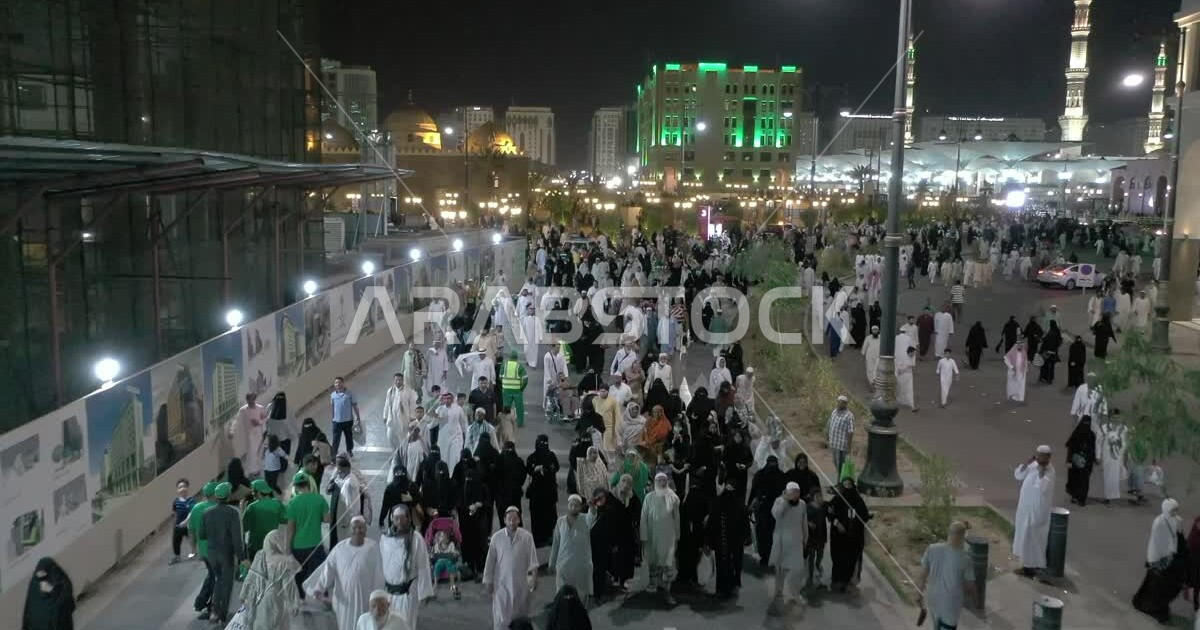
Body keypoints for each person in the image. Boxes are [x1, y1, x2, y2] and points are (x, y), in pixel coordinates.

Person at [305, 516, 386, 630]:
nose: (358, 530)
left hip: (365, 599)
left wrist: (378, 596)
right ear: (349, 530)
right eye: (354, 528)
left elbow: (379, 574)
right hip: (345, 602)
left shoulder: (373, 547)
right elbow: (329, 569)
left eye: (361, 528)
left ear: (365, 530)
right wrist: (320, 587)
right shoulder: (340, 548)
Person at [483, 507, 540, 630]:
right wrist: (488, 582)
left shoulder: (527, 537)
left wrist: (533, 580)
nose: (512, 522)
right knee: (501, 619)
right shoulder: (496, 538)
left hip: (521, 586)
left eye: (515, 519)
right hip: (501, 586)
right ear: (504, 520)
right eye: (509, 519)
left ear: (519, 520)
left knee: (520, 620)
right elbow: (490, 562)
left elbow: (533, 562)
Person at [915, 521, 977, 630]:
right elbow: (970, 585)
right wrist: (975, 599)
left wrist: (918, 593)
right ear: (963, 537)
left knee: (936, 625)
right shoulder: (965, 559)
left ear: (948, 533)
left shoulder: (932, 549)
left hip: (933, 598)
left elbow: (922, 575)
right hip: (951, 604)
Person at [379, 505, 433, 630]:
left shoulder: (416, 539)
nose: (399, 522)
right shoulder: (385, 539)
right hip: (389, 594)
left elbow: (423, 566)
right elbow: (382, 565)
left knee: (405, 625)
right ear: (392, 519)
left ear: (408, 519)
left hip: (407, 594)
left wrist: (424, 593)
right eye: (396, 518)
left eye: (402, 518)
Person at [1133, 499, 1186, 624]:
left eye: (1176, 509)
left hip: (1169, 560)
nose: (1175, 512)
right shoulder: (1159, 522)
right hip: (1159, 560)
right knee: (1156, 586)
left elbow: (1178, 537)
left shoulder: (1176, 520)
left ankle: (1153, 607)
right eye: (1173, 509)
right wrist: (1162, 557)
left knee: (1160, 587)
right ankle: (1152, 608)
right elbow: (1157, 543)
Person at [203, 482, 246, 626]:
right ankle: (222, 616)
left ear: (216, 495)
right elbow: (236, 538)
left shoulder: (207, 512)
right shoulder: (233, 512)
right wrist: (242, 557)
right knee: (227, 585)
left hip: (211, 554)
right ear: (229, 495)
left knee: (217, 580)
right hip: (226, 554)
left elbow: (202, 534)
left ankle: (214, 612)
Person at [240, 530, 301, 630]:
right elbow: (289, 585)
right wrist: (294, 603)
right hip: (275, 599)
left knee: (258, 623)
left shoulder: (260, 555)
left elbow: (251, 577)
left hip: (257, 598)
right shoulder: (284, 561)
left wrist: (243, 593)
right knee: (275, 624)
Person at [287, 472, 331, 600]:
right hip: (315, 544)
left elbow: (291, 529)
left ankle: (301, 597)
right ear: (308, 484)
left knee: (300, 573)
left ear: (296, 486)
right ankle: (324, 594)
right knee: (320, 572)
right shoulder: (319, 499)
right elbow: (327, 519)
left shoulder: (293, 503)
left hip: (298, 546)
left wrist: (288, 548)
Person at [1013, 445, 1055, 577]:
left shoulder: (1050, 471)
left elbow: (1042, 488)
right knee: (1024, 534)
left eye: (1040, 456)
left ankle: (1031, 568)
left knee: (1033, 537)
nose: (1037, 457)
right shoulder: (1033, 465)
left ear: (1047, 457)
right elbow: (1018, 475)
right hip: (1025, 507)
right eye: (1037, 455)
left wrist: (1041, 470)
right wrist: (1027, 463)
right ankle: (1026, 565)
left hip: (1037, 510)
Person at [706, 476, 749, 599]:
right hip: (730, 540)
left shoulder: (718, 501)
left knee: (723, 564)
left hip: (723, 540)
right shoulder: (738, 502)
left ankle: (722, 589)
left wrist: (708, 541)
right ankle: (728, 588)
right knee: (731, 563)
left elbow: (711, 522)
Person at [828, 475, 871, 592]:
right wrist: (837, 523)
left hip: (853, 538)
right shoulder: (837, 499)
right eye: (845, 485)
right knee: (838, 559)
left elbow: (864, 515)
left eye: (849, 485)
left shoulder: (858, 500)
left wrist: (861, 519)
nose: (847, 487)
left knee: (850, 560)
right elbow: (830, 512)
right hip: (838, 537)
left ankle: (846, 582)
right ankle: (836, 581)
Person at [770, 482, 809, 609]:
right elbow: (776, 515)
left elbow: (804, 522)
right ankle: (778, 592)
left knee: (797, 569)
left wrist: (805, 538)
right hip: (781, 541)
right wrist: (786, 501)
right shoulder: (779, 501)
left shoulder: (802, 504)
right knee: (780, 570)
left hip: (796, 541)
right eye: (792, 492)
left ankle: (795, 593)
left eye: (797, 492)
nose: (795, 495)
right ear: (787, 492)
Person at [549, 495, 594, 600]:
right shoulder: (560, 521)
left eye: (576, 506)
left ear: (580, 507)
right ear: (568, 506)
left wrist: (592, 506)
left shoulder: (585, 519)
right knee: (563, 596)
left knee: (581, 596)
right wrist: (552, 562)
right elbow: (556, 543)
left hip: (581, 566)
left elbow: (592, 517)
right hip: (563, 565)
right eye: (571, 505)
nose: (573, 508)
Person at [749, 455, 786, 567]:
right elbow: (754, 491)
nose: (772, 467)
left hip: (776, 509)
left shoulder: (781, 476)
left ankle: (772, 555)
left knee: (774, 533)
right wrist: (749, 506)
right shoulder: (760, 475)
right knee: (762, 532)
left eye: (775, 464)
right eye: (771, 464)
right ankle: (764, 555)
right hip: (762, 508)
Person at [525, 434, 560, 548]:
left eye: (545, 443)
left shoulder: (551, 455)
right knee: (537, 515)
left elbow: (557, 467)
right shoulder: (532, 457)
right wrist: (535, 468)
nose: (543, 446)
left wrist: (550, 468)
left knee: (549, 514)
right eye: (541, 443)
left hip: (548, 491)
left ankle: (548, 536)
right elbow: (528, 469)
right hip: (537, 492)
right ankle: (538, 538)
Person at [189, 482, 218, 618]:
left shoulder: (196, 508)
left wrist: (194, 550)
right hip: (218, 551)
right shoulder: (219, 509)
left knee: (212, 576)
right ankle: (208, 605)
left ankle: (201, 603)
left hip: (204, 552)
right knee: (216, 579)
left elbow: (192, 531)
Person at [22, 557, 75, 630]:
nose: (40, 577)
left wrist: (52, 590)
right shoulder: (35, 582)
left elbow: (68, 602)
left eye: (44, 573)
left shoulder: (61, 580)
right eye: (38, 573)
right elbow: (28, 607)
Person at [243, 479, 286, 564]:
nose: (252, 494)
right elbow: (284, 520)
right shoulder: (277, 504)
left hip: (256, 546)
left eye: (253, 492)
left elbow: (244, 527)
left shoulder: (252, 507)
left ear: (258, 493)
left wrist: (242, 510)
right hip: (272, 545)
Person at [231, 392, 268, 477]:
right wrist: (232, 431)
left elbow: (266, 417)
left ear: (254, 399)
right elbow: (235, 421)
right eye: (249, 400)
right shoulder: (243, 410)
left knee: (258, 452)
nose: (250, 402)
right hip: (249, 436)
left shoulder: (260, 408)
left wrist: (259, 422)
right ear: (247, 400)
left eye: (252, 400)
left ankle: (257, 470)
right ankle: (251, 471)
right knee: (251, 452)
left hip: (258, 434)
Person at [1064, 416, 1096, 506]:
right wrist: (1069, 461)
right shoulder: (1076, 434)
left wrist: (1092, 460)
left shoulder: (1091, 435)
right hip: (1075, 462)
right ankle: (1075, 496)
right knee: (1075, 479)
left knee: (1084, 480)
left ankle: (1082, 499)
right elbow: (1071, 448)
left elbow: (1093, 449)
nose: (1086, 426)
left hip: (1086, 463)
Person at [383, 373, 419, 454]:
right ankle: (395, 456)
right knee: (391, 438)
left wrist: (413, 420)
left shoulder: (408, 391)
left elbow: (413, 406)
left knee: (403, 441)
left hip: (404, 421)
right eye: (396, 380)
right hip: (392, 420)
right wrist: (385, 416)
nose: (398, 382)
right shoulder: (390, 391)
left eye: (400, 380)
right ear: (394, 381)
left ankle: (404, 456)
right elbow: (387, 404)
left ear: (403, 380)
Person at [1096, 419, 1128, 505]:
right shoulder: (1104, 428)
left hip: (1118, 457)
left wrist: (1124, 454)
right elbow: (1099, 442)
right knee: (1107, 477)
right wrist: (1098, 455)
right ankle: (1108, 497)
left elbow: (1125, 442)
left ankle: (1113, 496)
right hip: (1107, 457)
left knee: (1115, 477)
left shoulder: (1123, 429)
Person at [330, 376, 362, 458]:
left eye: (339, 382)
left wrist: (358, 417)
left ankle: (349, 450)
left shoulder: (349, 394)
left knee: (349, 437)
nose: (338, 384)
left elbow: (355, 406)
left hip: (348, 421)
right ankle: (334, 452)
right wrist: (333, 418)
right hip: (337, 422)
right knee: (336, 439)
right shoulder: (333, 395)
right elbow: (333, 407)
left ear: (343, 383)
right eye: (336, 383)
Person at [825, 395, 854, 476]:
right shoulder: (834, 411)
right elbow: (829, 423)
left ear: (845, 404)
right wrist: (827, 436)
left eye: (840, 403)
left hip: (842, 445)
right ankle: (840, 480)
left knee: (841, 466)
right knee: (835, 462)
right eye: (838, 402)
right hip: (833, 443)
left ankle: (840, 483)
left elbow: (850, 432)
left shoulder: (849, 415)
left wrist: (849, 447)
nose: (838, 404)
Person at [430, 529, 462, 599]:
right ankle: (435, 584)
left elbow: (454, 553)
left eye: (444, 537)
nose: (442, 538)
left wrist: (455, 554)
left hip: (448, 561)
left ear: (448, 539)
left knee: (450, 566)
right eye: (441, 537)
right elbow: (434, 554)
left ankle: (452, 584)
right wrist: (432, 556)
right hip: (439, 561)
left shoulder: (451, 545)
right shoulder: (436, 546)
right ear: (438, 539)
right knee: (437, 566)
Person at [170, 478, 196, 565]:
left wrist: (185, 522)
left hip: (188, 525)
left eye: (184, 486)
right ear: (177, 490)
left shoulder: (191, 500)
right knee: (176, 541)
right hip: (178, 525)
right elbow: (175, 513)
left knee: (192, 540)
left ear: (188, 488)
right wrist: (175, 524)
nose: (182, 488)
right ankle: (177, 556)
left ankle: (194, 554)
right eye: (180, 487)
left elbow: (192, 513)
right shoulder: (176, 502)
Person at [501, 350, 529, 427]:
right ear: (517, 357)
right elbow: (525, 379)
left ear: (509, 357)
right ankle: (519, 423)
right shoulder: (519, 366)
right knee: (519, 407)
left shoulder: (504, 365)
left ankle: (505, 422)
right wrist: (522, 388)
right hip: (517, 390)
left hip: (506, 389)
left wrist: (504, 384)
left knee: (506, 407)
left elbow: (500, 376)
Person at [896, 346, 918, 411]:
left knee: (910, 391)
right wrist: (906, 367)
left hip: (909, 377)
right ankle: (900, 402)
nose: (914, 355)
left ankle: (912, 406)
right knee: (901, 390)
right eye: (913, 353)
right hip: (902, 377)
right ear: (909, 352)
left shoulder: (912, 358)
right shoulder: (902, 358)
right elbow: (898, 369)